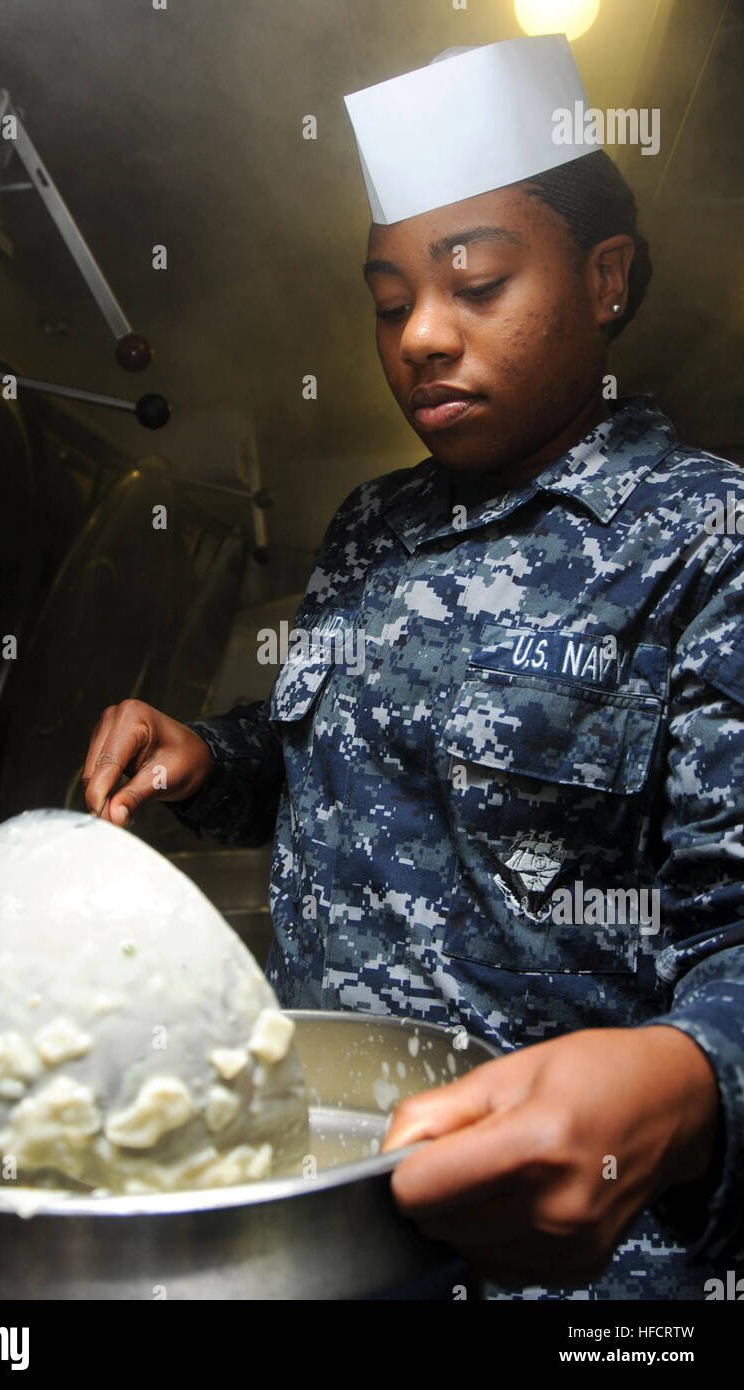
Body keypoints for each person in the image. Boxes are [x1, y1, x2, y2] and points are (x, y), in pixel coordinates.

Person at [82, 36, 744, 1299]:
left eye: (475, 284)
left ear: (603, 278)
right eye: (388, 303)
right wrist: (206, 755)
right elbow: (314, 760)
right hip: (322, 1208)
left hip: (574, 1271)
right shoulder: (370, 529)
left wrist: (690, 1078)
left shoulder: (702, 542)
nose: (422, 337)